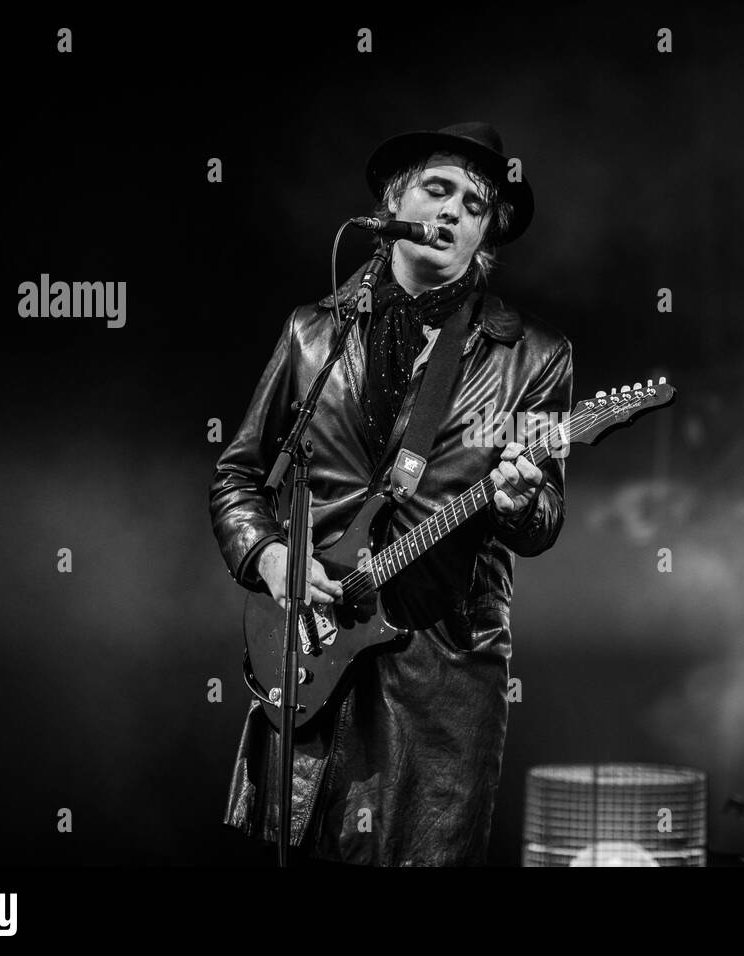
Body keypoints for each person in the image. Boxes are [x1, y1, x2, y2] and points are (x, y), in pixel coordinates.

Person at [209, 122, 573, 865]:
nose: (452, 212)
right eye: (437, 190)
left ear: (487, 233)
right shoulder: (315, 333)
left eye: (474, 205)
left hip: (441, 672)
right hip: (310, 654)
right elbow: (238, 476)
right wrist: (272, 557)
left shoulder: (533, 355)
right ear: (394, 201)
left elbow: (545, 519)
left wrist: (516, 500)